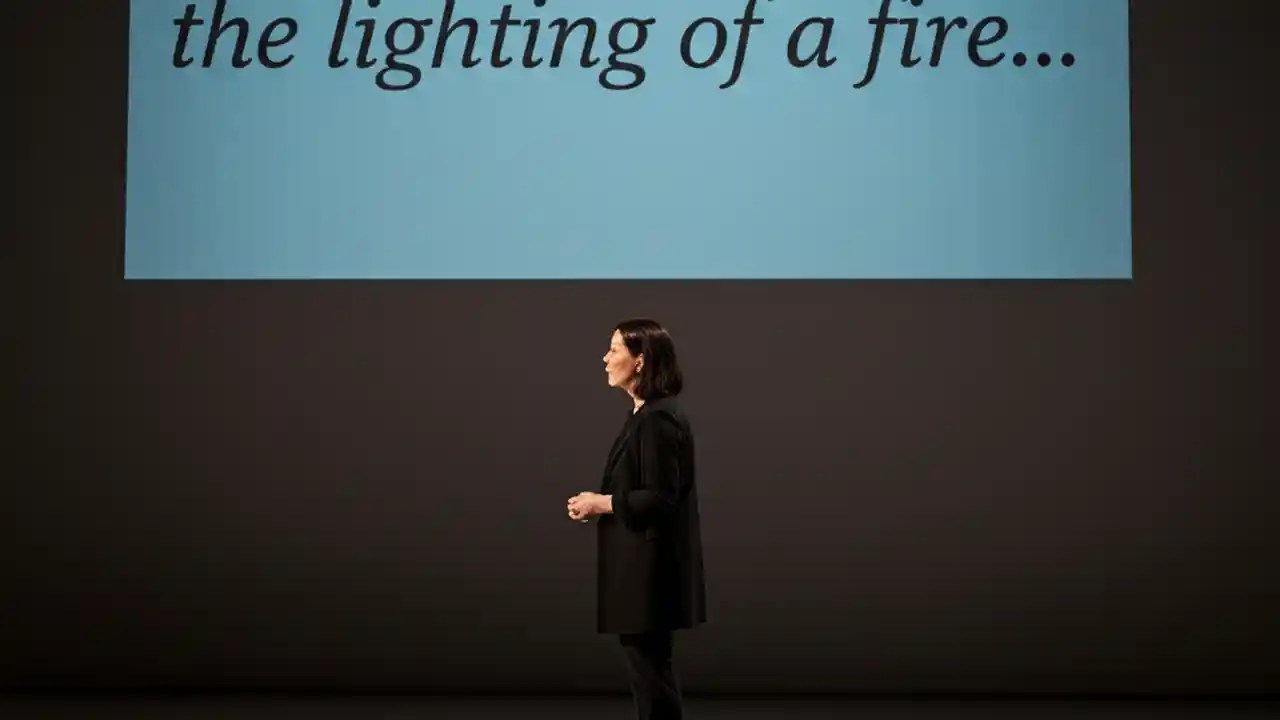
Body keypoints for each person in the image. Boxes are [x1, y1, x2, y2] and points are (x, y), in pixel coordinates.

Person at [567, 318, 707, 720]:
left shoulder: (657, 420)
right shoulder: (646, 416)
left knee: (651, 680)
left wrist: (601, 503)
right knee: (649, 676)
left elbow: (660, 498)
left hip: (648, 578)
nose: (606, 358)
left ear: (641, 361)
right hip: (644, 576)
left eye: (614, 350)